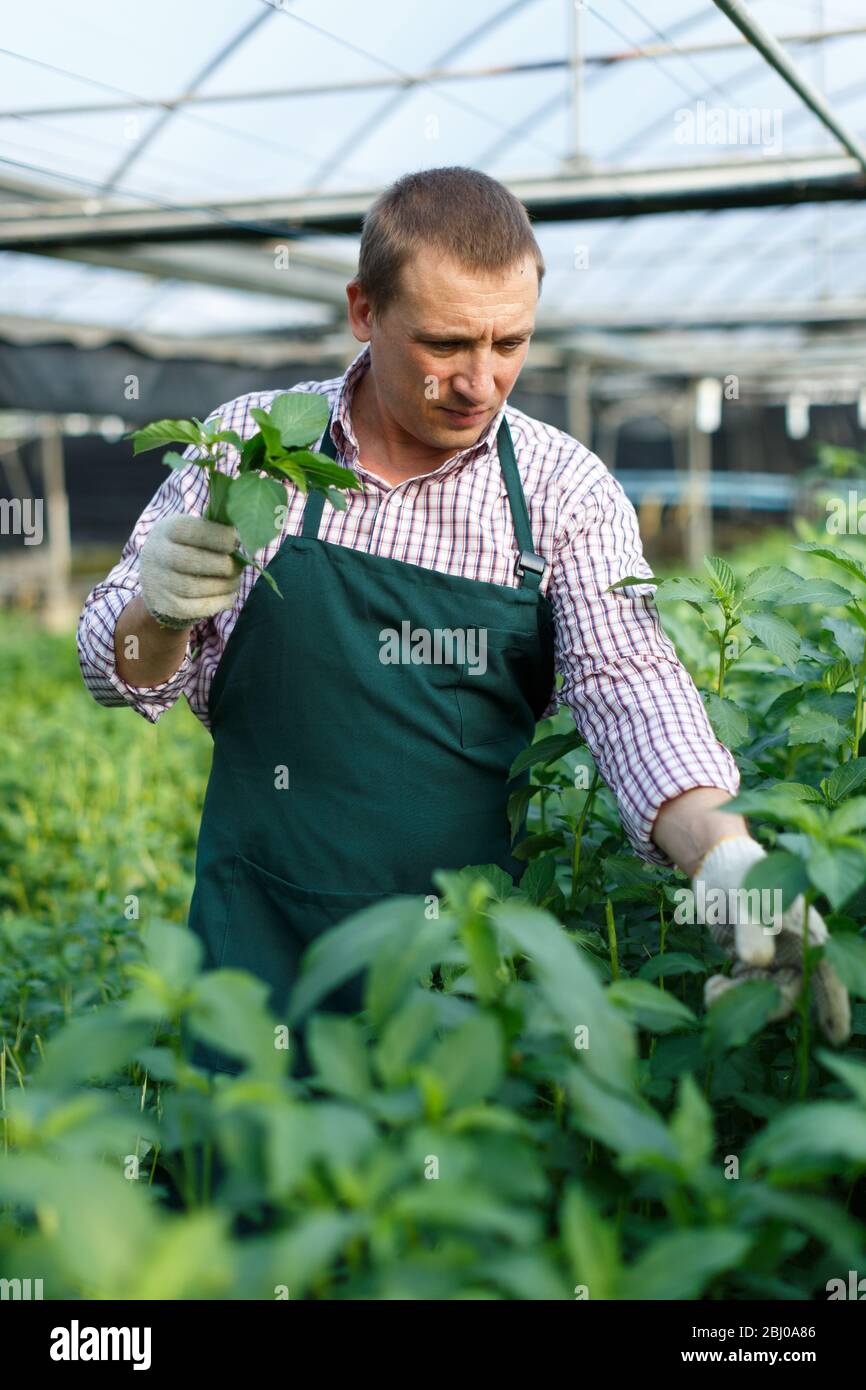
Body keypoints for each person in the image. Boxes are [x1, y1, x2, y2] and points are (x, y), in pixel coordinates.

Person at [77, 166, 850, 1072]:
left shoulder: (562, 490)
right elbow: (112, 668)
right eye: (446, 344)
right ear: (364, 311)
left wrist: (727, 867)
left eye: (510, 343)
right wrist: (158, 613)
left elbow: (631, 686)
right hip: (258, 941)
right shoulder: (255, 450)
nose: (481, 383)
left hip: (460, 965)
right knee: (239, 1188)